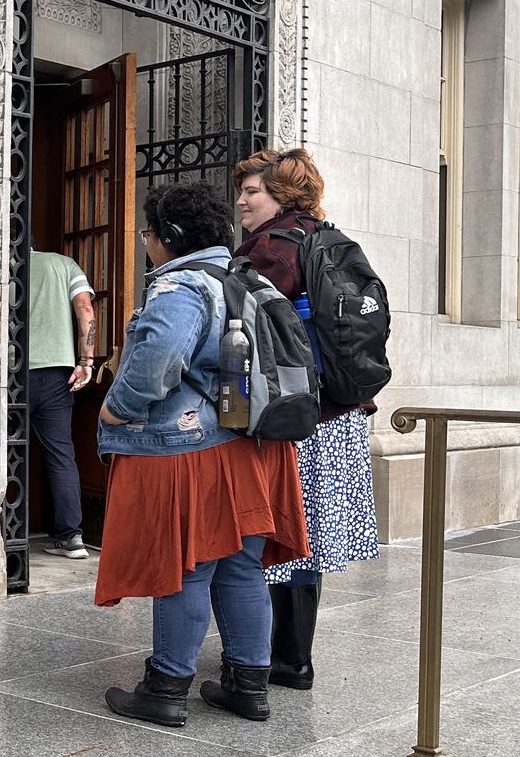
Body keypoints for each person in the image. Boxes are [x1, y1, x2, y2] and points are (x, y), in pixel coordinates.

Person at [95, 182, 310, 728]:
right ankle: (248, 687)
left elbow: (157, 363)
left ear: (168, 235)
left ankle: (165, 690)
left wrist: (116, 409)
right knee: (241, 568)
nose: (147, 243)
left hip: (195, 449)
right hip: (254, 447)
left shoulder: (181, 286)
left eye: (148, 233)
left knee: (189, 567)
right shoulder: (250, 278)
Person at [233, 147, 380, 690]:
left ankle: (279, 658)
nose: (241, 201)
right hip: (338, 415)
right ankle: (292, 656)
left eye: (251, 191)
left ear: (282, 195)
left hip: (293, 418)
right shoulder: (329, 239)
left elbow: (243, 333)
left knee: (281, 534)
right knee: (308, 538)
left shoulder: (272, 248)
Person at [27, 248, 98, 559]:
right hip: (58, 371)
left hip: (13, 370)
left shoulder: (4, 261)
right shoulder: (65, 265)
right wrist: (87, 360)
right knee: (61, 455)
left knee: (1, 450)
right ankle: (72, 536)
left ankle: (0, 533)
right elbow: (85, 308)